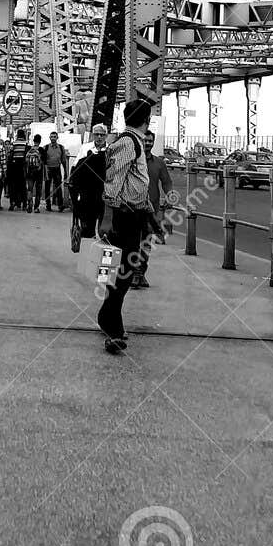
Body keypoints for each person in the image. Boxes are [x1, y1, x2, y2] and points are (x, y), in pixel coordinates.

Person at [98, 99, 165, 354]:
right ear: (146, 119)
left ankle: (110, 320)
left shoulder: (133, 141)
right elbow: (113, 181)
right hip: (122, 216)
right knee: (122, 272)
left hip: (134, 214)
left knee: (122, 271)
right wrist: (107, 218)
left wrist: (151, 217)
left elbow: (137, 185)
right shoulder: (128, 143)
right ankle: (111, 325)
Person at [135, 128, 175, 289]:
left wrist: (170, 195)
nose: (148, 143)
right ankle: (133, 273)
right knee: (132, 242)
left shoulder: (159, 163)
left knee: (146, 243)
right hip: (132, 208)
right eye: (145, 140)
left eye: (150, 141)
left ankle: (140, 273)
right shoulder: (133, 159)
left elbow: (166, 182)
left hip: (151, 211)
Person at [68, 123, 109, 242]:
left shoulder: (111, 150)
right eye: (97, 134)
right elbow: (75, 170)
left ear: (106, 136)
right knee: (87, 229)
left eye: (102, 135)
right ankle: (87, 256)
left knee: (105, 230)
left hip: (105, 195)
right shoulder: (85, 148)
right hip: (87, 195)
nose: (99, 137)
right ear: (92, 135)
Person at [43, 130, 68, 211]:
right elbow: (43, 161)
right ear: (49, 138)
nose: (53, 138)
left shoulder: (61, 148)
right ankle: (48, 205)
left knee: (58, 188)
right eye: (52, 137)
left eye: (54, 137)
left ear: (57, 138)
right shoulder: (45, 147)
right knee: (47, 188)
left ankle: (60, 205)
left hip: (57, 169)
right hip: (48, 170)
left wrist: (66, 172)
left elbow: (64, 160)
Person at [7, 127, 29, 209]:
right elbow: (27, 156)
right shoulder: (26, 144)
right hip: (23, 167)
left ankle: (13, 203)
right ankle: (24, 204)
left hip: (14, 166)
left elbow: (10, 155)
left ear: (17, 135)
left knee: (14, 186)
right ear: (24, 135)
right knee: (23, 186)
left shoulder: (13, 144)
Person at [25, 133, 45, 212]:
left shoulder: (29, 149)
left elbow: (26, 161)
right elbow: (44, 162)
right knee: (38, 190)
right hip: (39, 173)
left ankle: (29, 204)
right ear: (40, 141)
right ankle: (36, 207)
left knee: (30, 189)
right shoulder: (41, 150)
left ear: (33, 141)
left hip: (30, 172)